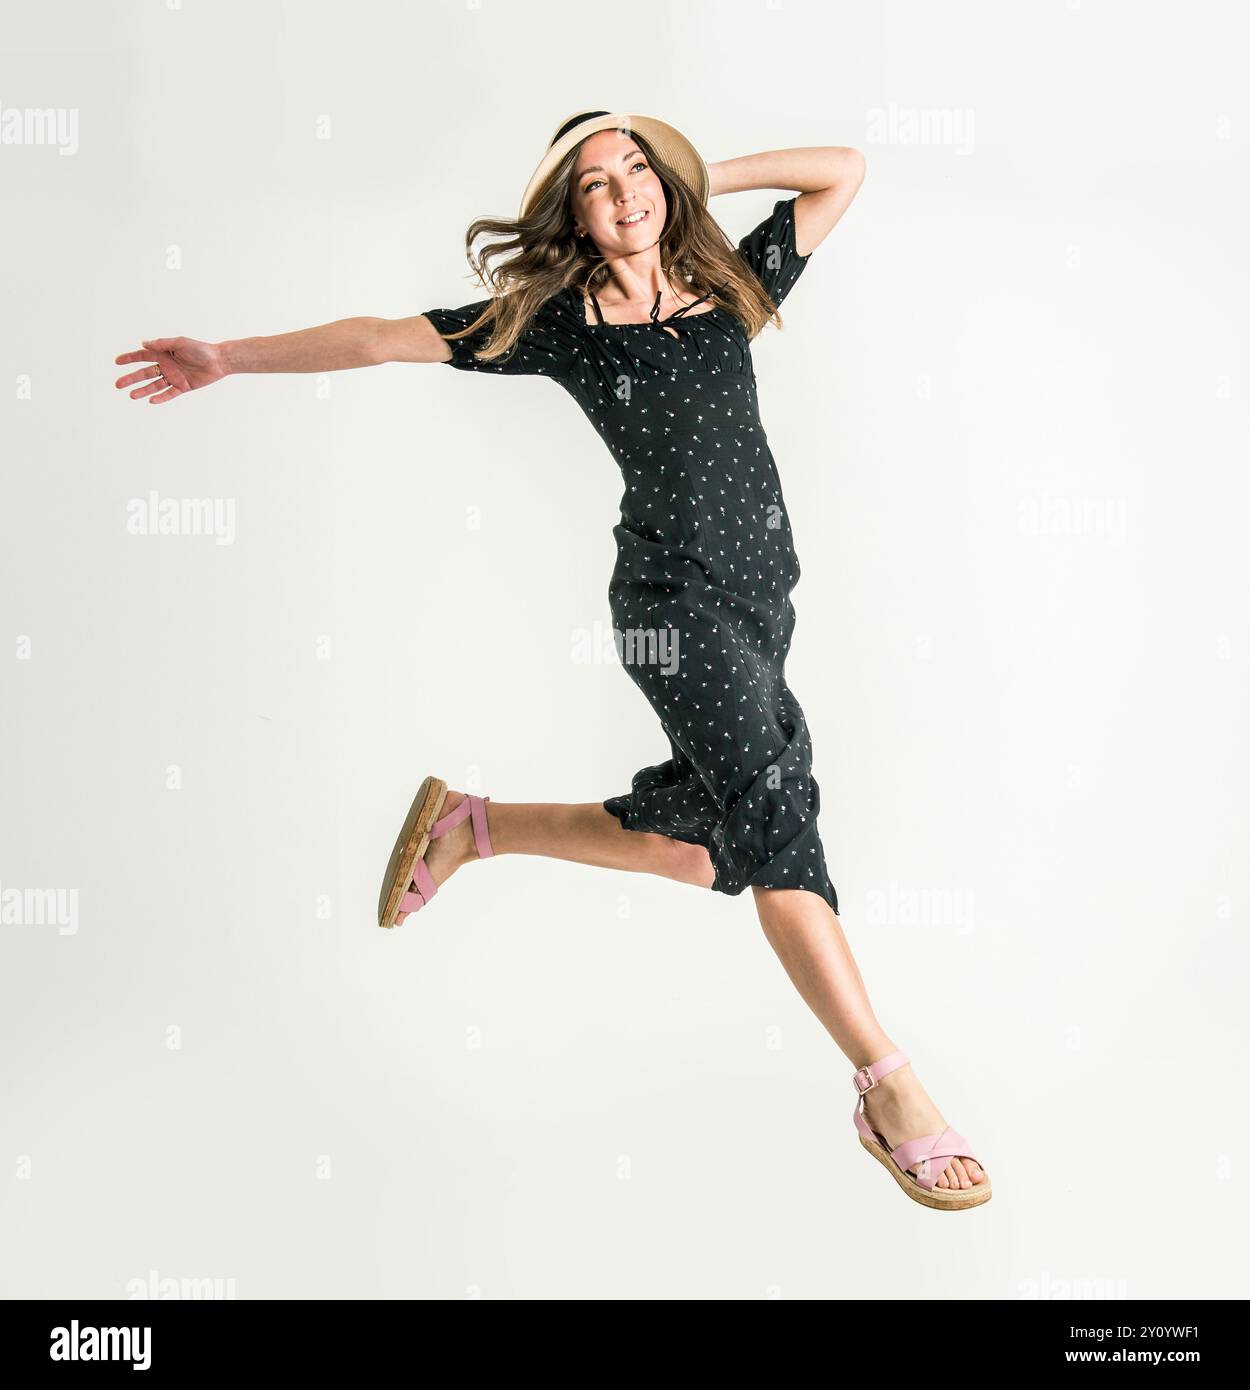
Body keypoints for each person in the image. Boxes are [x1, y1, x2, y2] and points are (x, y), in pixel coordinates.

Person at [114, 111, 990, 1210]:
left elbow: (839, 173)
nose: (621, 193)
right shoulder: (562, 324)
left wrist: (688, 174)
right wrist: (229, 357)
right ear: (567, 215)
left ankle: (472, 823)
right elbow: (386, 334)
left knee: (696, 851)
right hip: (670, 609)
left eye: (636, 171)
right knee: (776, 833)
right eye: (594, 183)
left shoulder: (729, 292)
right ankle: (885, 1082)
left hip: (763, 605)